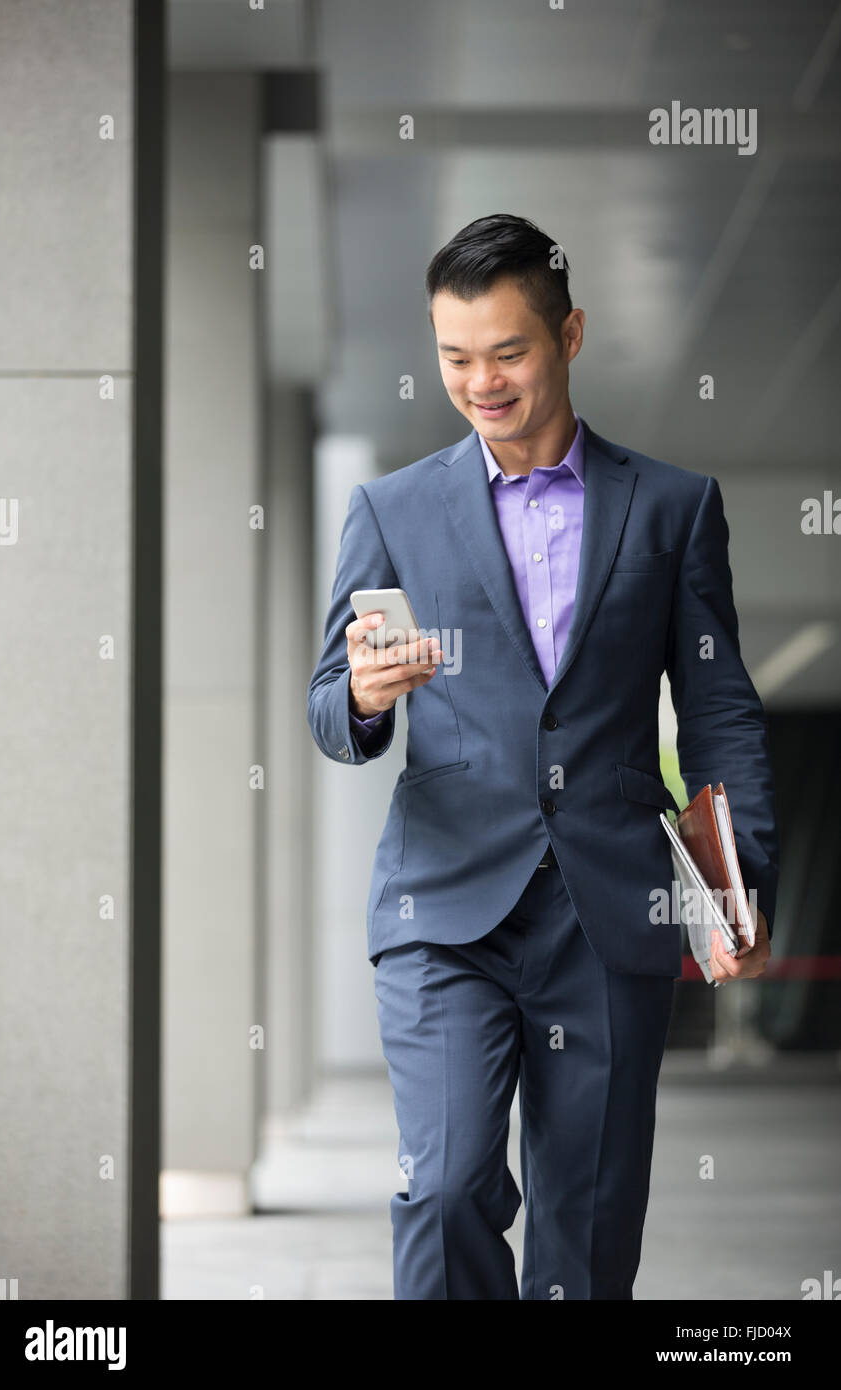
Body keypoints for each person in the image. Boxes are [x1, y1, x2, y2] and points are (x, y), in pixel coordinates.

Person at [306, 213, 780, 1300]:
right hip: (443, 908)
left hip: (608, 912)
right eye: (454, 356)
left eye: (507, 351)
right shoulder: (392, 507)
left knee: (586, 1220)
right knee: (443, 1186)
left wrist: (736, 879)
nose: (480, 381)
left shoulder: (670, 508)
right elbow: (330, 708)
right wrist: (366, 697)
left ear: (567, 334)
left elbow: (715, 710)